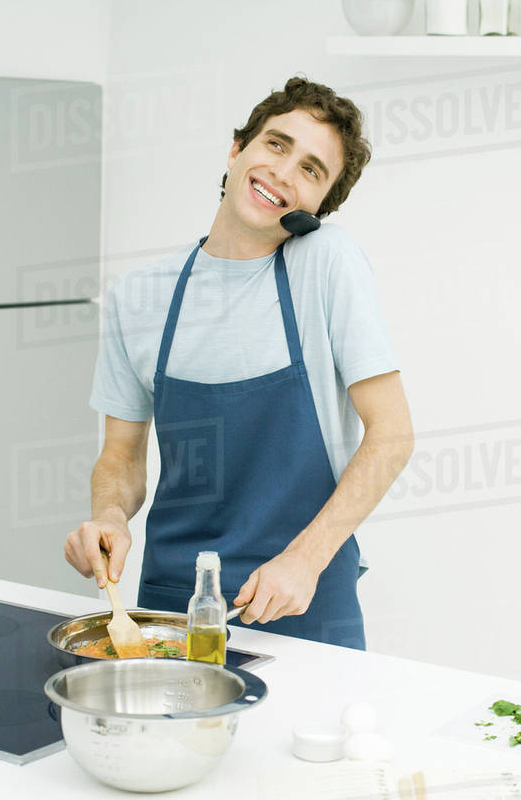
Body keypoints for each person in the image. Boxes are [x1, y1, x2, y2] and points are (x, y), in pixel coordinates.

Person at [63, 76, 414, 650]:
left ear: (318, 208)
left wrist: (304, 561)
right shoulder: (139, 296)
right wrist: (108, 517)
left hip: (305, 595)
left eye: (311, 169)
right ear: (237, 150)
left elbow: (393, 436)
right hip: (172, 600)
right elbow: (121, 457)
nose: (283, 171)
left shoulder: (326, 266)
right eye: (276, 145)